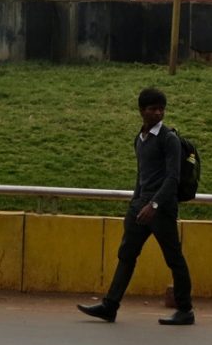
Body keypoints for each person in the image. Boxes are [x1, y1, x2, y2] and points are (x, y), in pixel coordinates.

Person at [78, 87, 194, 325]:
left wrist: (154, 204)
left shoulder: (169, 139)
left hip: (161, 209)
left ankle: (186, 310)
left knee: (174, 258)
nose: (158, 113)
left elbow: (173, 178)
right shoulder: (140, 139)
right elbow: (142, 176)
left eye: (161, 109)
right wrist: (135, 204)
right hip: (140, 207)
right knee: (126, 255)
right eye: (153, 109)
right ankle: (110, 306)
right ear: (141, 110)